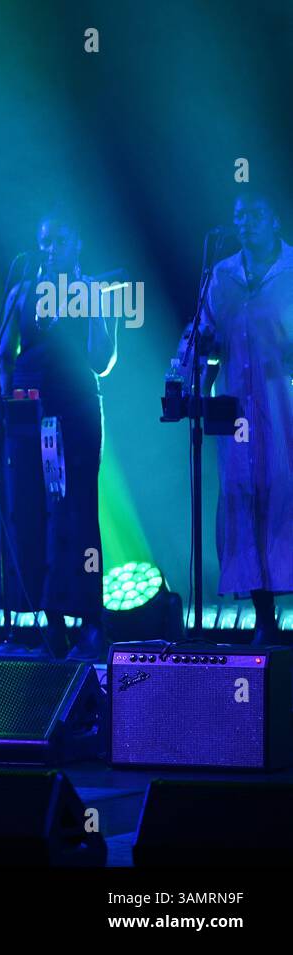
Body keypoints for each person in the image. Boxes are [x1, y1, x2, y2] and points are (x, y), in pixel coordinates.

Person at [0, 212, 116, 660]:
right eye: (44, 241)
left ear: (77, 243)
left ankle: (90, 620)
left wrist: (97, 311)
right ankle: (51, 622)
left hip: (77, 406)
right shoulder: (24, 290)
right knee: (34, 507)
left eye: (58, 240)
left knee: (77, 508)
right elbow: (4, 352)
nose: (49, 249)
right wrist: (5, 400)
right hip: (31, 410)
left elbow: (102, 360)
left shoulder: (92, 292)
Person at [198, 192, 293, 644]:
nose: (246, 224)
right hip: (238, 405)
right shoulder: (222, 275)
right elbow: (208, 336)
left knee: (285, 494)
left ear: (274, 220)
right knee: (244, 498)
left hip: (283, 402)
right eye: (239, 217)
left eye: (255, 215)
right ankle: (264, 617)